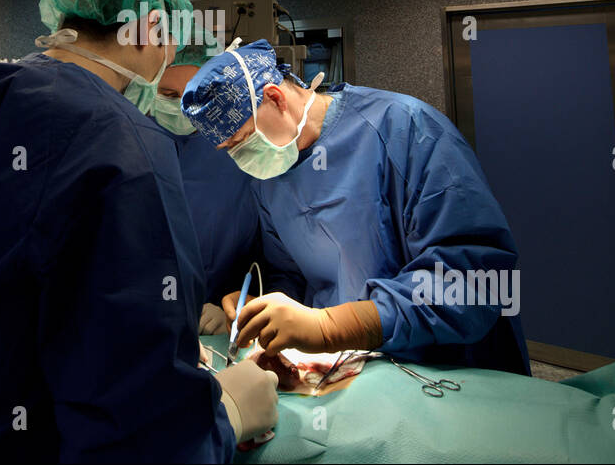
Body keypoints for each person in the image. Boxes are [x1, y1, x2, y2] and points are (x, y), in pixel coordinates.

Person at [0, 0, 277, 463]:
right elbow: (138, 426)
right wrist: (224, 418)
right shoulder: (125, 141)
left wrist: (164, 339)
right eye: (170, 47)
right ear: (149, 28)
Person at [181, 39, 529, 374]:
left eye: (242, 141)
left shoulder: (405, 129)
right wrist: (266, 310)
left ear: (275, 98)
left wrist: (334, 325)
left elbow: (472, 281)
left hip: (447, 370)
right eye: (229, 150)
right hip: (351, 371)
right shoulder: (271, 174)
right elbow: (289, 273)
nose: (241, 157)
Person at [153, 41, 260, 337]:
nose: (181, 105)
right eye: (168, 95)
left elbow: (274, 258)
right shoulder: (129, 143)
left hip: (220, 324)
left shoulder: (240, 151)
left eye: (192, 95)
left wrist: (240, 306)